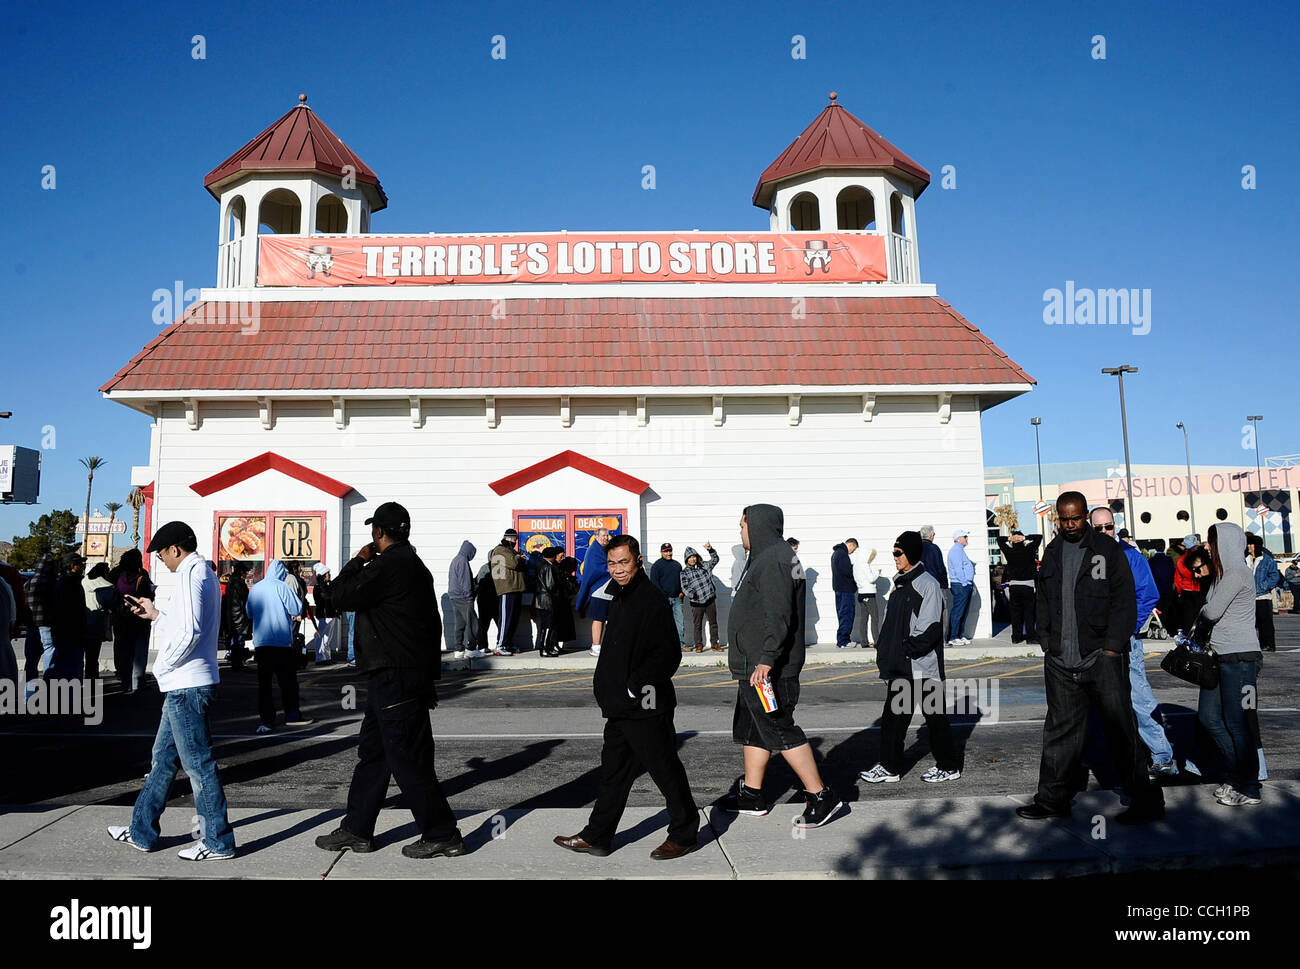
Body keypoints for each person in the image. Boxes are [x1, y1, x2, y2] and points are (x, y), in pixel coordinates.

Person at [313, 502, 464, 859]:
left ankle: (443, 832)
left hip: (395, 676)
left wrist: (356, 561)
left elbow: (337, 597)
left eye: (373, 531)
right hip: (398, 675)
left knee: (407, 758)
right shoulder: (414, 566)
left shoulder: (389, 565)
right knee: (375, 755)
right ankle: (357, 830)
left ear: (379, 533)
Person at [1015, 492, 1164, 824]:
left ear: (1084, 516)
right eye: (1064, 519)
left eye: (1075, 518)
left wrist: (1112, 648)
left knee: (1122, 730)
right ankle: (1052, 800)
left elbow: (1125, 601)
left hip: (1101, 658)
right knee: (1059, 733)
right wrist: (1047, 642)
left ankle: (1145, 801)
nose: (1070, 525)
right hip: (1060, 661)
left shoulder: (1108, 550)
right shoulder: (1052, 552)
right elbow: (1044, 600)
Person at [554, 535, 700, 859]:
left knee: (664, 769)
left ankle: (685, 832)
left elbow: (667, 655)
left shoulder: (650, 599)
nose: (617, 569)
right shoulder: (618, 594)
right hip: (621, 705)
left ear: (637, 561)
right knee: (613, 774)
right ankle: (598, 836)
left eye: (623, 562)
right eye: (612, 563)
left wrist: (635, 687)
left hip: (645, 704)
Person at [107, 521, 235, 860]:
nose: (162, 560)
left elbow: (191, 632)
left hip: (187, 685)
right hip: (187, 683)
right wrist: (155, 615)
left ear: (175, 549)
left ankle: (217, 841)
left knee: (198, 766)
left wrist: (163, 666)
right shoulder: (199, 573)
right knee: (163, 760)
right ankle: (141, 831)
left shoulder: (193, 574)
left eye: (162, 554)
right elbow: (184, 626)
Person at [719, 504, 842, 828]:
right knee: (753, 729)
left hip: (768, 669)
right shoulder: (770, 556)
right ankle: (752, 795)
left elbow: (780, 615)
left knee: (778, 727)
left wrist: (766, 659)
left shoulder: (774, 558)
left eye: (742, 525)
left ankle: (820, 794)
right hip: (754, 667)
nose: (740, 531)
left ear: (757, 525)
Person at [860, 531, 960, 784]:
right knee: (895, 722)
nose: (894, 557)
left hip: (920, 667)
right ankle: (891, 768)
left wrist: (906, 650)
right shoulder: (902, 583)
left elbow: (930, 627)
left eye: (898, 553)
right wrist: (885, 648)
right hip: (904, 666)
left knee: (933, 720)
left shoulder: (927, 584)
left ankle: (947, 767)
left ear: (912, 554)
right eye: (894, 552)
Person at [1089, 507, 1177, 779]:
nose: (1105, 532)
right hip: (1093, 639)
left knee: (1137, 696)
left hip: (1125, 639)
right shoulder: (1086, 555)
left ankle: (1162, 755)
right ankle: (1099, 755)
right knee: (1093, 700)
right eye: (1099, 528)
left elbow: (1148, 594)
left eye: (1109, 526)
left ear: (1115, 527)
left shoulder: (1130, 556)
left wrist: (1126, 625)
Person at [1194, 524, 1263, 806]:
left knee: (1238, 722)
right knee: (1208, 717)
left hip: (1241, 658)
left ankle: (1249, 786)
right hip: (1221, 655)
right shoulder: (1222, 575)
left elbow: (1211, 611)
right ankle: (1238, 774)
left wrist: (1202, 612)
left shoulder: (1235, 574)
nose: (1209, 547)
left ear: (1226, 543)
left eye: (1212, 542)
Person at [246, 560, 312, 733]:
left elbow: (249, 612)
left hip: (261, 643)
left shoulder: (256, 589)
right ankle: (292, 715)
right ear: (281, 573)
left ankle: (266, 720)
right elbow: (296, 609)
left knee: (264, 684)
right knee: (288, 682)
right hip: (281, 642)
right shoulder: (283, 587)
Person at [108, 548, 154, 693]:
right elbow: (149, 596)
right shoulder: (143, 577)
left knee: (123, 649)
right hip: (140, 618)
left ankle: (124, 680)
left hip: (120, 618)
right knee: (139, 651)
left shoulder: (115, 575)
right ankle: (138, 682)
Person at [996, 530, 1042, 644]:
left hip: (1014, 585)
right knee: (1029, 612)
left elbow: (999, 540)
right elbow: (1038, 537)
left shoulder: (1009, 552)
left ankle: (1016, 636)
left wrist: (1010, 538)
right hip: (1028, 585)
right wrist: (1024, 537)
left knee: (1016, 613)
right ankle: (1031, 636)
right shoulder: (1029, 550)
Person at [50, 553, 89, 680]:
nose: (83, 567)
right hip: (71, 633)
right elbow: (73, 611)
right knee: (71, 670)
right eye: (80, 564)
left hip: (65, 633)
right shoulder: (70, 584)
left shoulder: (65, 582)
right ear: (72, 566)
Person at [575, 528, 613, 657]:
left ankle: (608, 645)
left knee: (611, 620)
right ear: (596, 537)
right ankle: (596, 646)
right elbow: (594, 570)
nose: (606, 538)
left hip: (610, 592)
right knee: (599, 619)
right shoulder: (593, 550)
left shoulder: (605, 550)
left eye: (607, 536)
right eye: (603, 536)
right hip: (598, 592)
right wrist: (610, 568)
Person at [489, 528, 526, 656]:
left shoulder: (510, 551)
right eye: (515, 539)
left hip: (516, 588)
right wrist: (518, 557)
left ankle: (508, 643)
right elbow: (514, 563)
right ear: (509, 538)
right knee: (506, 618)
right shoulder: (500, 550)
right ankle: (500, 645)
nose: (516, 541)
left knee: (513, 619)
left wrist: (518, 557)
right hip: (506, 588)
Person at [23, 551, 58, 684]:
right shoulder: (52, 583)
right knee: (50, 653)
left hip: (31, 625)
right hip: (47, 624)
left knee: (31, 660)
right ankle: (48, 686)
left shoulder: (28, 583)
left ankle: (29, 693)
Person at [680, 544, 722, 652]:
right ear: (686, 560)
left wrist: (710, 550)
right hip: (696, 603)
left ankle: (715, 644)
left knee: (713, 623)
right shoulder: (684, 572)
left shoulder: (704, 566)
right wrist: (691, 593)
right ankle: (698, 644)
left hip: (710, 599)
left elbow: (715, 559)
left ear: (697, 557)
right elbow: (684, 587)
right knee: (697, 625)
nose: (692, 559)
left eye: (694, 556)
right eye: (690, 557)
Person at [1245, 534, 1283, 652]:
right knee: (1250, 624)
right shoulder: (1245, 559)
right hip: (1248, 597)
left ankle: (1268, 644)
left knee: (1265, 623)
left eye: (1251, 544)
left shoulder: (1267, 560)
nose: (1249, 546)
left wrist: (1262, 587)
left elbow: (1274, 576)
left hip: (1263, 597)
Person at [649, 542, 687, 649]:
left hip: (677, 599)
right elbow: (654, 583)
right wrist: (663, 597)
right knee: (663, 623)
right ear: (661, 552)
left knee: (680, 623)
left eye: (670, 551)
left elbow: (682, 580)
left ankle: (681, 645)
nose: (668, 553)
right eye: (666, 551)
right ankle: (663, 645)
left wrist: (682, 592)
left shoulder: (677, 565)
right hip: (663, 599)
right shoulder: (656, 566)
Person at [82, 562, 115, 679]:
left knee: (83, 656)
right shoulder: (103, 586)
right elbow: (110, 603)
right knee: (93, 656)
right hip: (96, 622)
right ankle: (92, 681)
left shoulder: (84, 581)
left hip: (82, 621)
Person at [219, 563, 253, 670]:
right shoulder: (238, 583)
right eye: (245, 573)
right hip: (239, 615)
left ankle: (236, 663)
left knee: (235, 640)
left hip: (232, 615)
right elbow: (245, 598)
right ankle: (238, 663)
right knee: (239, 641)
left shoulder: (231, 582)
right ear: (241, 573)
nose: (246, 575)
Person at [447, 540, 477, 659]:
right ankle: (471, 649)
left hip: (454, 597)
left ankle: (458, 649)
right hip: (464, 597)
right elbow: (465, 582)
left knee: (459, 624)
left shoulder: (455, 560)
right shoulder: (463, 561)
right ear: (469, 551)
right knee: (473, 623)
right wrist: (469, 596)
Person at [919, 525, 951, 639]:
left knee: (922, 613)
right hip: (936, 584)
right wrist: (945, 584)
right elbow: (940, 568)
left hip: (919, 586)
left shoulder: (916, 549)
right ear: (931, 535)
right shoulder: (934, 548)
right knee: (942, 612)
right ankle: (941, 639)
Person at [534, 546, 565, 657]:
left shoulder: (540, 564)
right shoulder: (548, 567)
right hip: (547, 600)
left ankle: (545, 648)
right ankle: (545, 649)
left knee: (545, 625)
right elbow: (550, 585)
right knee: (548, 626)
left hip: (541, 600)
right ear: (552, 557)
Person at [947, 530, 976, 646]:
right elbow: (958, 569)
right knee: (958, 611)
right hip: (960, 585)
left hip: (963, 585)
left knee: (963, 611)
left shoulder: (960, 551)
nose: (967, 539)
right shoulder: (956, 551)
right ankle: (953, 637)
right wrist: (965, 583)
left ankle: (959, 635)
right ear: (959, 538)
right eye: (965, 537)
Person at [850, 544, 881, 648]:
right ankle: (877, 641)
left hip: (861, 594)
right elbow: (871, 579)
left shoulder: (855, 565)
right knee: (875, 617)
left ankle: (864, 641)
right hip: (869, 593)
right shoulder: (864, 565)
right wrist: (877, 573)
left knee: (864, 618)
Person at [830, 537, 858, 648]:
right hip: (845, 590)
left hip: (839, 589)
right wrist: (855, 568)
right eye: (853, 549)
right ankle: (844, 641)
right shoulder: (842, 554)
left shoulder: (836, 553)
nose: (852, 552)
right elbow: (847, 571)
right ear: (851, 544)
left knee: (842, 614)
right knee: (847, 614)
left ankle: (843, 639)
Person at [471, 559, 497, 657]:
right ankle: (483, 645)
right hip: (488, 600)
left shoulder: (485, 568)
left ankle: (483, 645)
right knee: (484, 624)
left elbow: (477, 582)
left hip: (485, 600)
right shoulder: (487, 568)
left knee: (483, 624)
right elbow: (479, 582)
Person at [789, 538, 809, 648]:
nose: (797, 551)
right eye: (795, 548)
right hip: (795, 597)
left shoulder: (793, 559)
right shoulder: (792, 560)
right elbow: (795, 579)